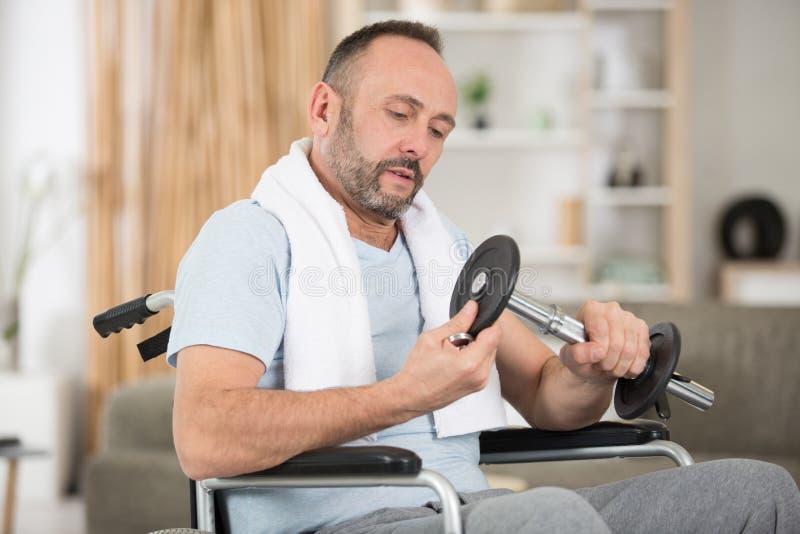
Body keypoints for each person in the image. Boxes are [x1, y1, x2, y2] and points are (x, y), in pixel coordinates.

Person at [167, 20, 800, 533]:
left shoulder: (445, 248)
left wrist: (587, 371)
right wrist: (402, 396)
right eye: (399, 114)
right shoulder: (249, 238)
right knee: (548, 516)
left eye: (438, 128)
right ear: (325, 108)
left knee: (756, 492)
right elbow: (203, 437)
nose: (420, 144)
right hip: (346, 524)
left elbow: (549, 399)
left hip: (468, 512)